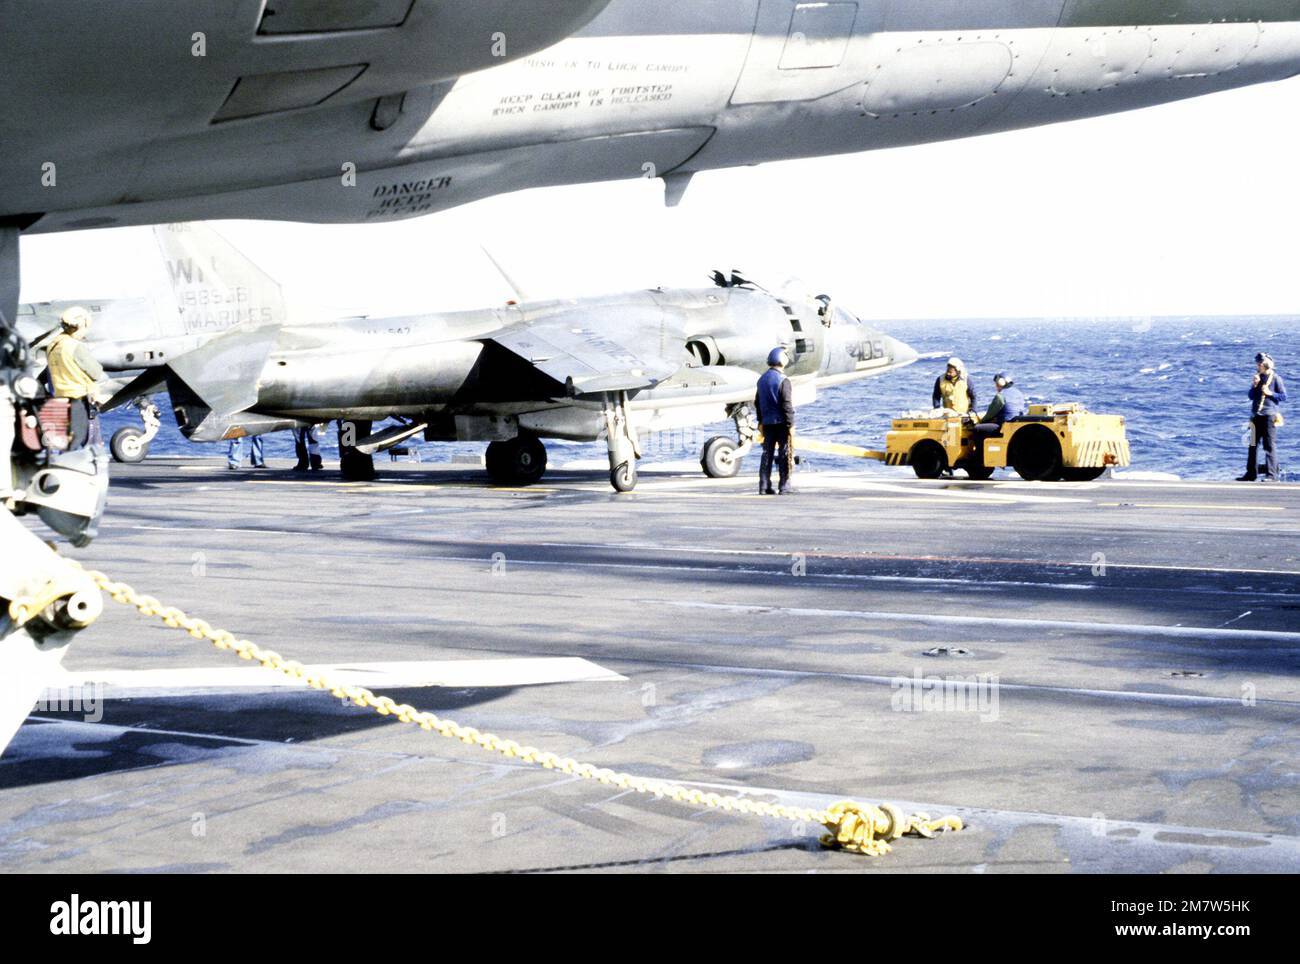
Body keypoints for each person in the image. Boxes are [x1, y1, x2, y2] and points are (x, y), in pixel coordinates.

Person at [45, 305, 108, 446]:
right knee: (91, 449)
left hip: (61, 401)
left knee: (69, 446)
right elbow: (96, 372)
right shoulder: (74, 346)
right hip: (81, 402)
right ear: (80, 326)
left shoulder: (53, 345)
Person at [1239, 352, 1287, 482]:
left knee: (1269, 446)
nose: (1258, 365)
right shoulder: (1258, 377)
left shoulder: (1276, 378)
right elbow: (1251, 396)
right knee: (1252, 445)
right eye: (1258, 363)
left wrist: (1270, 393)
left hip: (1268, 417)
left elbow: (1283, 396)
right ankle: (1251, 473)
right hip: (1256, 417)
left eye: (1260, 363)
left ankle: (1271, 475)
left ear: (1266, 364)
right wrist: (1254, 386)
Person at [755, 346, 795, 495]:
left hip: (767, 423)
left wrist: (760, 422)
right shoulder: (783, 380)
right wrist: (790, 424)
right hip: (782, 424)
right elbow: (786, 404)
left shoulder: (761, 380)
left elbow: (757, 402)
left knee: (767, 454)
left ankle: (764, 486)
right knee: (784, 453)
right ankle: (784, 486)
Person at [972, 373, 1027, 441]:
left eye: (996, 384)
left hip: (1004, 426)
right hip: (1016, 425)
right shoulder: (1019, 393)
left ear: (1000, 383)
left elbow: (990, 414)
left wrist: (981, 422)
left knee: (977, 428)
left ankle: (979, 451)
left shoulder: (1000, 396)